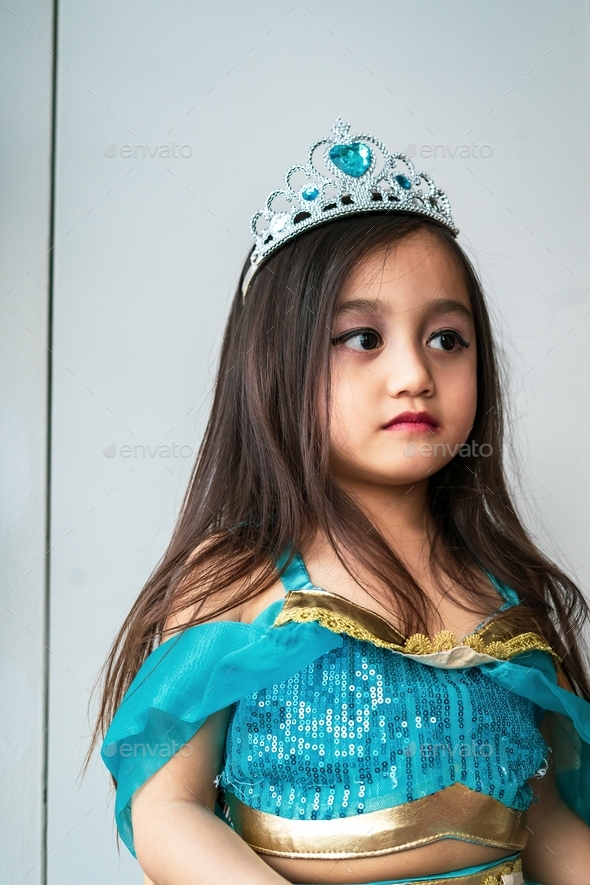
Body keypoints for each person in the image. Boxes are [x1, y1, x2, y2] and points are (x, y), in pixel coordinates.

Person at [87, 119, 590, 885]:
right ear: (277, 365)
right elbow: (168, 811)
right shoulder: (241, 575)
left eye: (447, 339)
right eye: (362, 338)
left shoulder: (500, 589)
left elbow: (545, 813)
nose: (415, 374)